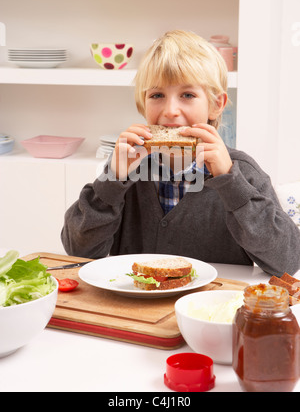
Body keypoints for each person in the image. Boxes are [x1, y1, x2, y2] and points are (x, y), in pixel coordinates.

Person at [61, 30, 300, 276]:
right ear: (143, 104)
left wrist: (231, 182)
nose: (171, 110)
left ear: (216, 105)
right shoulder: (127, 169)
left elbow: (287, 260)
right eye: (157, 95)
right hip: (135, 306)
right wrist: (112, 180)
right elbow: (79, 250)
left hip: (210, 307)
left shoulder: (240, 171)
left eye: (187, 95)